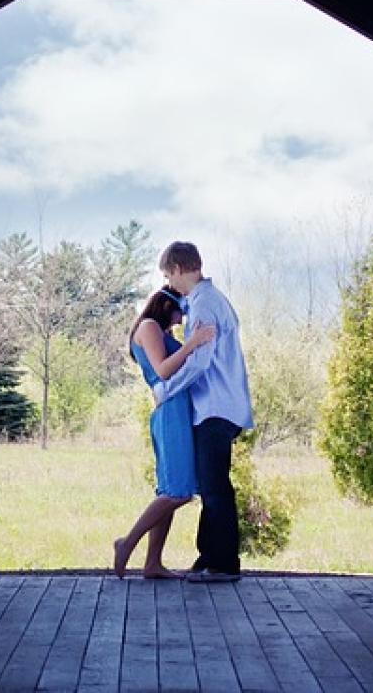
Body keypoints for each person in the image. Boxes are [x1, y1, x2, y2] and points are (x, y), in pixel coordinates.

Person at [153, 241, 253, 583]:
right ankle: (209, 557)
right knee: (211, 485)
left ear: (180, 269)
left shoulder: (204, 304)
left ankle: (223, 564)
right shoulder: (207, 300)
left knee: (214, 487)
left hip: (216, 407)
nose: (169, 282)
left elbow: (200, 363)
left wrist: (165, 390)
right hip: (217, 407)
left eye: (168, 274)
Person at [113, 286, 217, 579]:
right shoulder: (148, 327)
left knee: (169, 489)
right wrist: (192, 343)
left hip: (177, 409)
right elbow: (163, 370)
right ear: (165, 306)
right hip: (170, 411)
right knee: (179, 491)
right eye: (179, 311)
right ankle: (126, 543)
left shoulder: (163, 333)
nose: (181, 318)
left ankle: (153, 564)